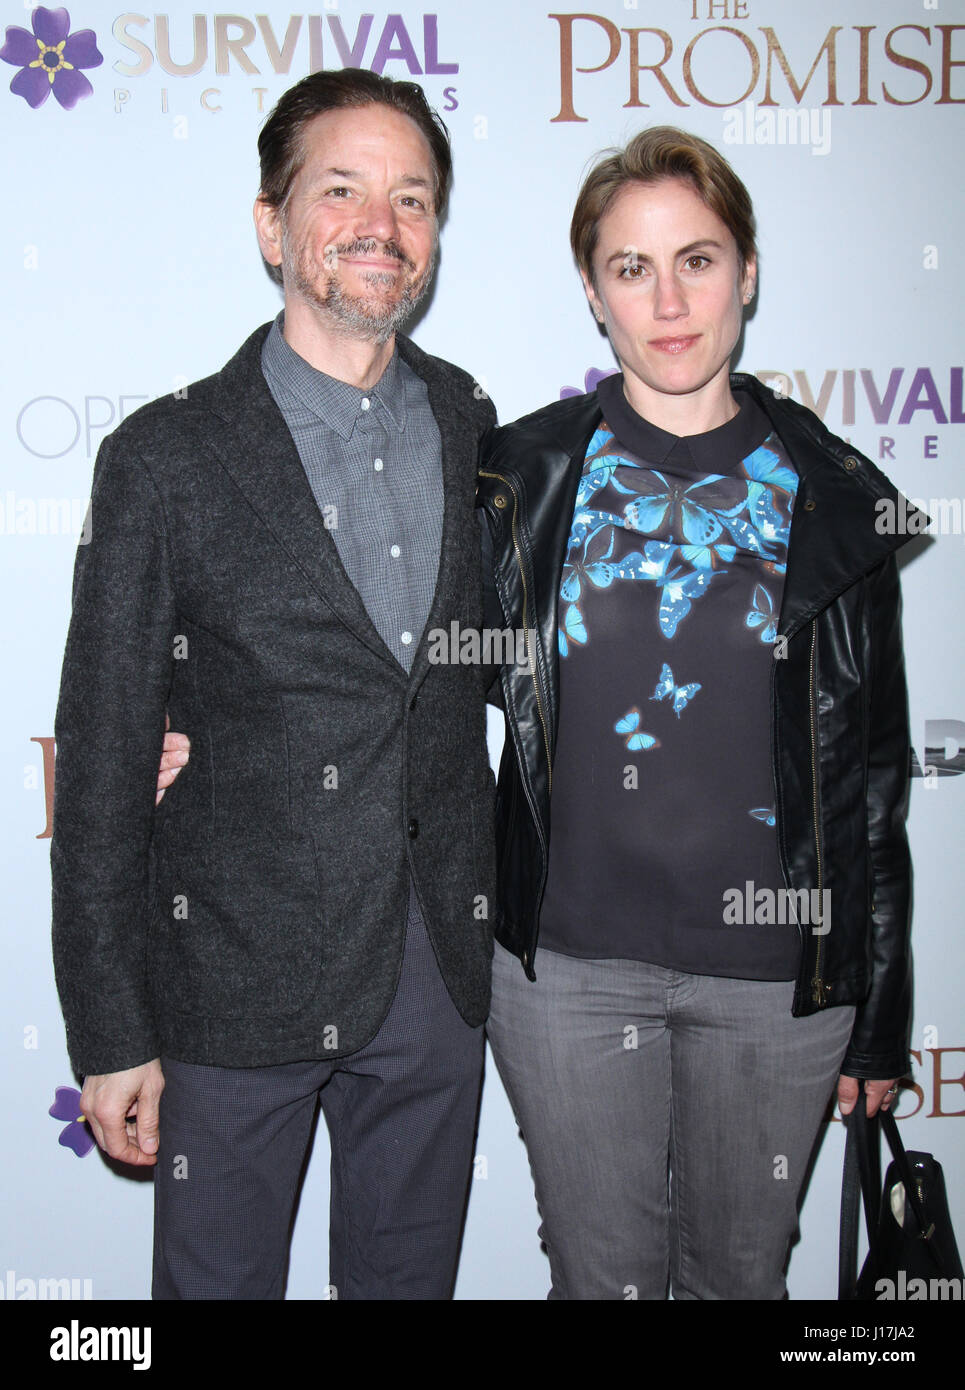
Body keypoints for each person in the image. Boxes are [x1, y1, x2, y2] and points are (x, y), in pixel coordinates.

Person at [51, 67, 498, 1301]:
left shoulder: (472, 424)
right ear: (270, 224)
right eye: (340, 187)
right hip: (230, 981)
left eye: (412, 198)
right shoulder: (165, 454)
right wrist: (111, 1031)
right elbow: (98, 760)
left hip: (432, 978)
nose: (380, 223)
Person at [476, 127, 917, 1299]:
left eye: (698, 259)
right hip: (564, 971)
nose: (667, 300)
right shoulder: (513, 481)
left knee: (739, 1284)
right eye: (630, 267)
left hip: (773, 983)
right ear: (590, 291)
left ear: (748, 271)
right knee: (600, 1281)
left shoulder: (834, 498)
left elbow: (873, 778)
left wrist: (877, 1013)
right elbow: (400, 695)